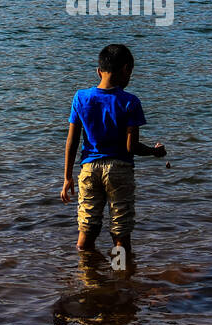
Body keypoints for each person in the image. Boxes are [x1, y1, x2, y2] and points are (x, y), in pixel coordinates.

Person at [60, 44, 165, 266]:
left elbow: (72, 141)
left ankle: (88, 278)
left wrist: (67, 177)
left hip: (89, 170)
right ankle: (121, 280)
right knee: (120, 232)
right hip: (119, 170)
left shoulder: (80, 98)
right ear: (126, 69)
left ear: (99, 71)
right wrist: (154, 152)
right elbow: (131, 147)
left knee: (87, 229)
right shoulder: (130, 102)